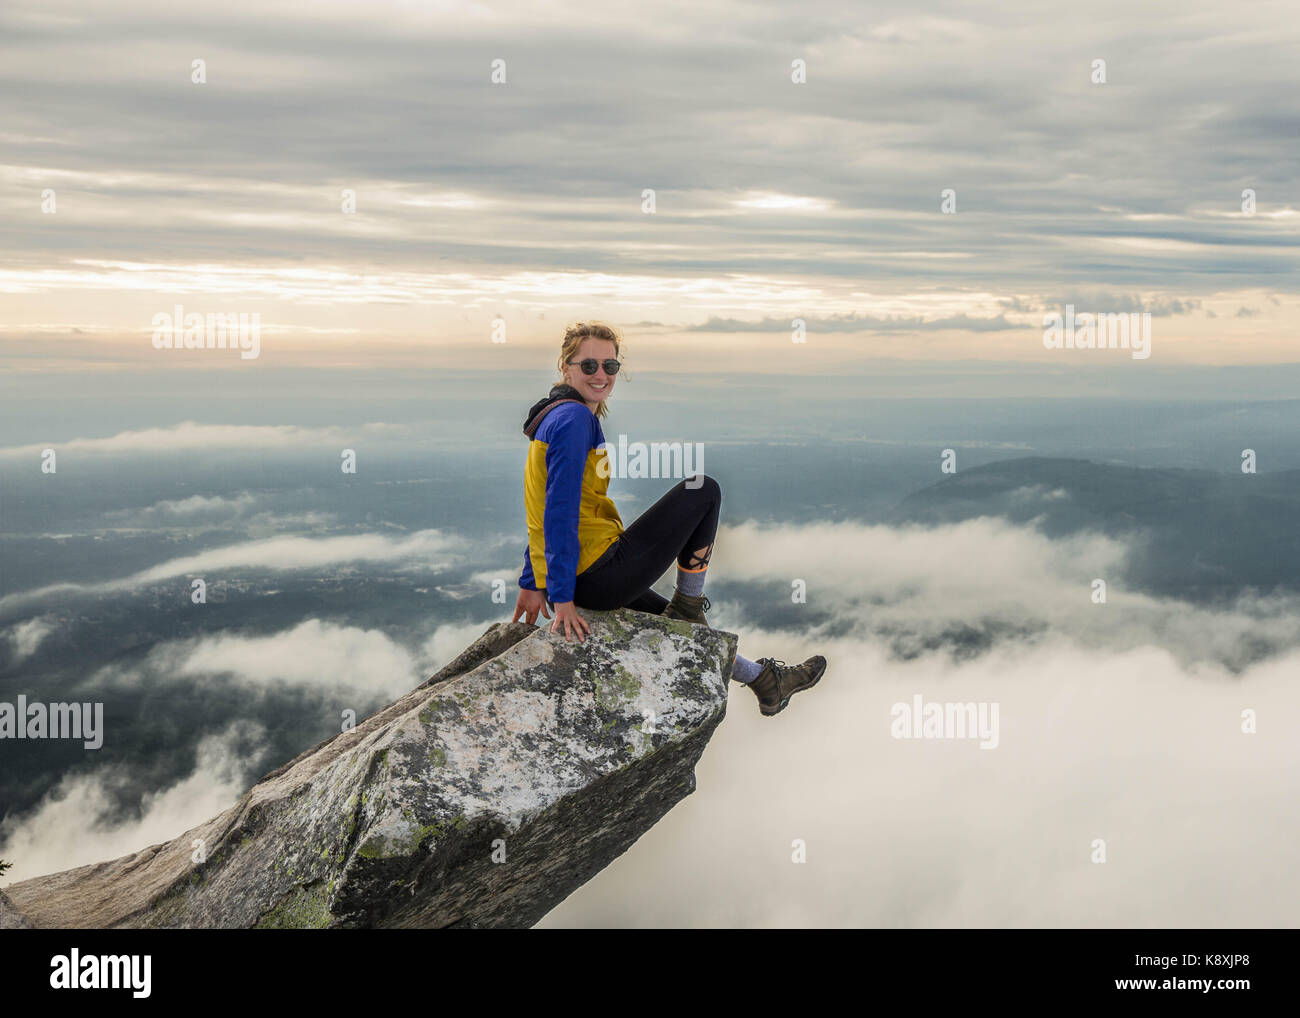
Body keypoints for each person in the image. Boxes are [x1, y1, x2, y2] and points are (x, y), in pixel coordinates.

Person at [510, 320, 826, 716]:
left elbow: (540, 504)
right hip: (595, 574)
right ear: (566, 367)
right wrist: (559, 596)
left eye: (610, 366)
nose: (601, 375)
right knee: (703, 490)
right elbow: (556, 510)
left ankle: (764, 681)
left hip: (583, 573)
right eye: (589, 365)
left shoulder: (554, 417)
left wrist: (531, 579)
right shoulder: (574, 420)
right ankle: (690, 603)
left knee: (675, 627)